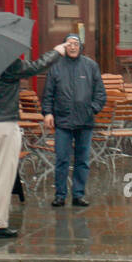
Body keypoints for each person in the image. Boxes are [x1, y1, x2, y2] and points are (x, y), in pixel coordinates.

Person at [0, 42, 67, 240]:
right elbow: (34, 68)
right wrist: (56, 52)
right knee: (3, 174)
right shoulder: (6, 61)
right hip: (4, 123)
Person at [42, 34, 106, 207]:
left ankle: (78, 194)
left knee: (82, 160)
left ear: (80, 46)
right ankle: (60, 195)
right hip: (62, 121)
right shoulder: (56, 67)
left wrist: (92, 109)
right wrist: (47, 113)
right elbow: (48, 93)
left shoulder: (91, 66)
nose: (72, 47)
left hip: (85, 122)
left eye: (75, 44)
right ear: (64, 46)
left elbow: (100, 93)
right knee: (62, 159)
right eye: (69, 44)